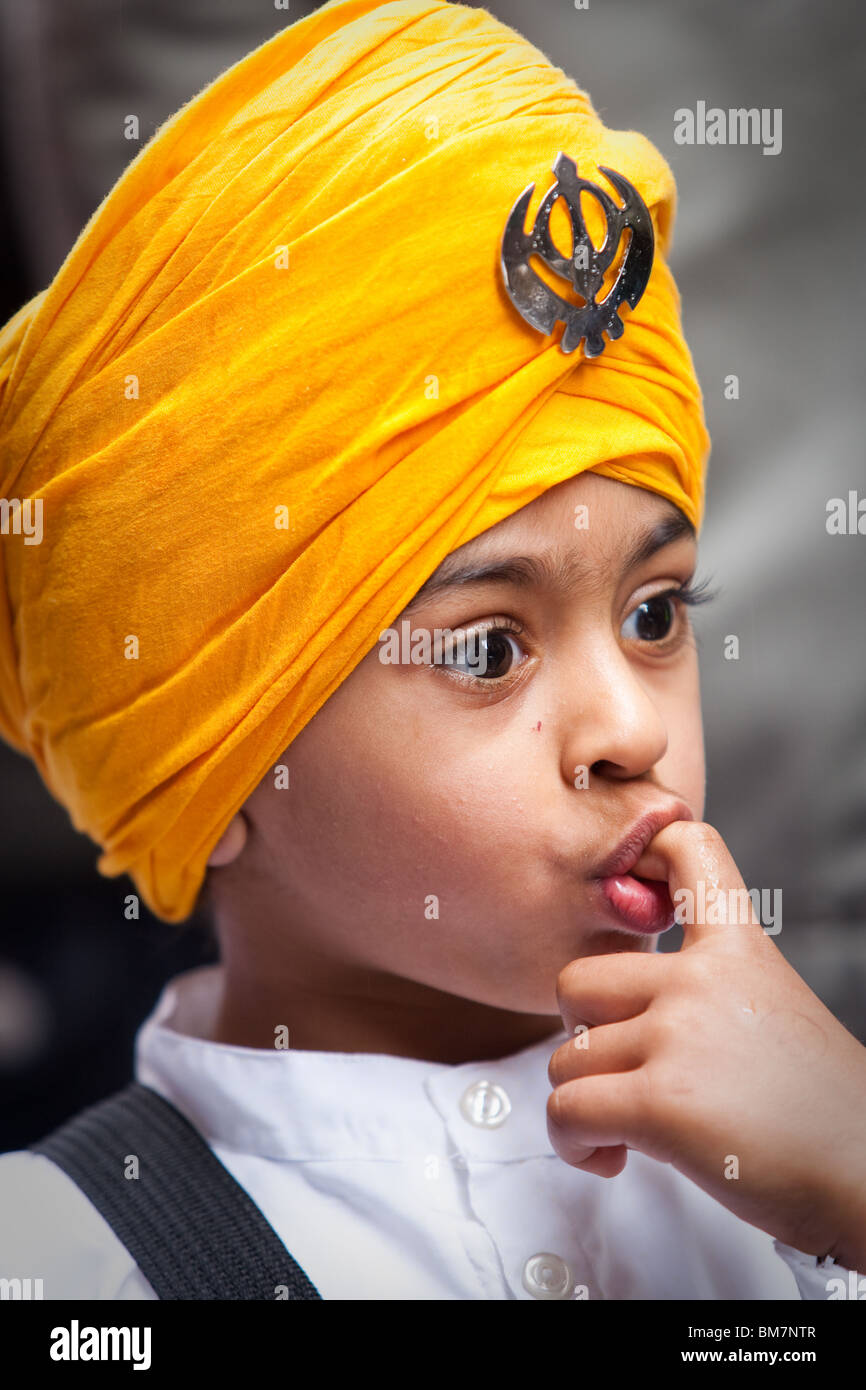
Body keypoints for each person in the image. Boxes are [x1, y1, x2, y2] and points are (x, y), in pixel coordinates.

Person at [0, 0, 864, 1300]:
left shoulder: (800, 1184)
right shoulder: (65, 1264)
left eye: (654, 612)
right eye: (486, 650)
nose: (629, 728)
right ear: (215, 758)